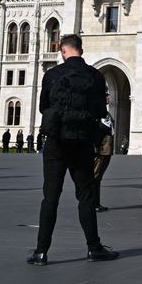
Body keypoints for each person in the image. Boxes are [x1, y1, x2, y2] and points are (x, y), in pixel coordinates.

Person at [27, 33, 119, 265]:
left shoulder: (52, 75)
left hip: (56, 143)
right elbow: (100, 110)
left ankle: (41, 251)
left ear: (63, 51)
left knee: (50, 197)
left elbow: (42, 107)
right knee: (86, 197)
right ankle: (93, 247)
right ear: (81, 49)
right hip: (82, 143)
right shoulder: (96, 77)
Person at [92, 93, 114, 212]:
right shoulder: (96, 112)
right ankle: (92, 202)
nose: (108, 98)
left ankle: (97, 202)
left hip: (107, 150)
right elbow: (95, 131)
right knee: (94, 176)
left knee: (99, 177)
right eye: (105, 95)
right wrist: (95, 147)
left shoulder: (106, 113)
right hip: (99, 150)